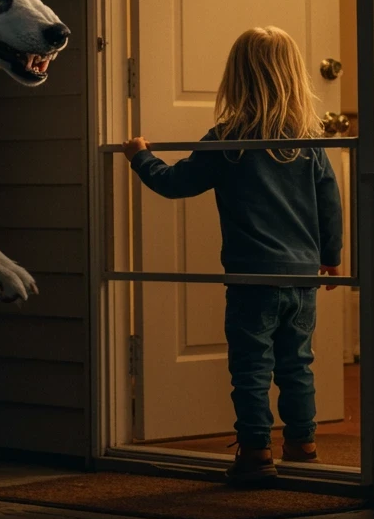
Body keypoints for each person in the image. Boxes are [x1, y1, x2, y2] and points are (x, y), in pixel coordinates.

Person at [122, 26, 343, 484]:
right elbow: (329, 201)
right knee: (298, 362)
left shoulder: (229, 139)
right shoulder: (307, 141)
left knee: (251, 366)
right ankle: (303, 443)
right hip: (301, 277)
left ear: (236, 78)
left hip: (251, 278)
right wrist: (331, 255)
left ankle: (256, 450)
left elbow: (174, 182)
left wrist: (140, 155)